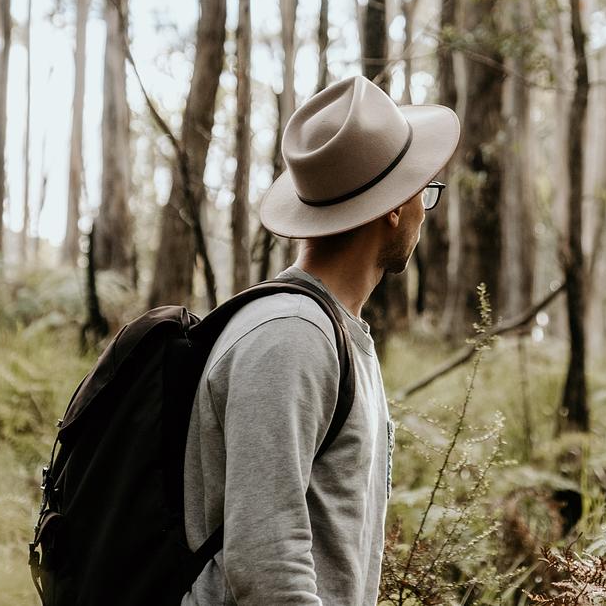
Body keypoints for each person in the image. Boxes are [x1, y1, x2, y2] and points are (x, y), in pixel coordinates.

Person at [181, 74, 460, 605]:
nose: (427, 208)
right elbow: (266, 564)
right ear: (395, 206)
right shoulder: (291, 340)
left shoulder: (329, 332)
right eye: (425, 190)